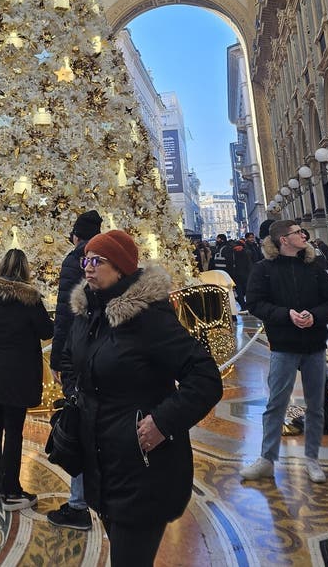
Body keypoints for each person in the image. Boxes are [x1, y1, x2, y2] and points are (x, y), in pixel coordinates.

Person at [61, 230, 223, 566]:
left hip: (143, 468)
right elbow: (69, 359)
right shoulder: (88, 312)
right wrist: (75, 396)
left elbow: (205, 377)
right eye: (85, 260)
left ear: (120, 268)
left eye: (97, 261)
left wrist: (162, 422)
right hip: (101, 463)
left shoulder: (149, 318)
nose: (87, 267)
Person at [240, 220, 328, 483]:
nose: (303, 235)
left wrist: (314, 316)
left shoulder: (314, 267)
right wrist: (287, 315)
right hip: (284, 346)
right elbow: (254, 303)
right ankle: (266, 459)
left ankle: (312, 460)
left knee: (316, 405)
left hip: (314, 345)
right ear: (283, 240)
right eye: (297, 232)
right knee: (276, 403)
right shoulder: (264, 269)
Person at [0, 249, 53, 511]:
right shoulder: (30, 300)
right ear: (25, 269)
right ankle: (11, 492)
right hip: (17, 377)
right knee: (14, 433)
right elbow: (46, 331)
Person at [47, 209, 101, 531]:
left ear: (75, 236)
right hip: (101, 353)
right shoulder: (106, 257)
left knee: (77, 424)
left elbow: (65, 311)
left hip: (77, 353)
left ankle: (79, 505)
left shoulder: (74, 260)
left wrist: (57, 358)